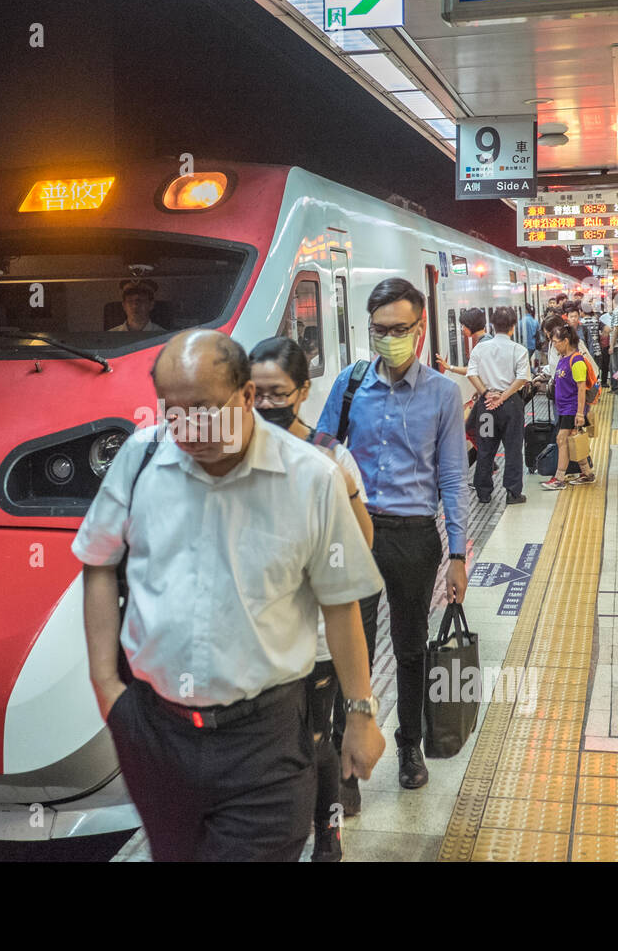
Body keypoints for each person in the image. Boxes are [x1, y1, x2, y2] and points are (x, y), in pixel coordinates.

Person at [72, 329, 385, 861]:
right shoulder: (140, 460)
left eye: (205, 409)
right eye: (174, 410)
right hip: (155, 732)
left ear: (246, 396)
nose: (189, 427)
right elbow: (98, 562)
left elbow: (340, 603)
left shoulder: (311, 477)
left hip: (264, 743)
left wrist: (361, 713)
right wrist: (107, 687)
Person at [315, 278, 469, 792]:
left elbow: (451, 476)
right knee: (349, 647)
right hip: (356, 532)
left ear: (420, 331)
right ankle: (348, 758)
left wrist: (459, 555)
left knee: (410, 646)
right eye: (379, 330)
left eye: (399, 329)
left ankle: (409, 745)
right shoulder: (350, 384)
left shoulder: (444, 394)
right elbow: (321, 453)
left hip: (414, 536)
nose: (389, 339)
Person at [249, 336, 374, 861]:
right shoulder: (235, 452)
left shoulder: (330, 454)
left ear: (302, 391)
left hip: (318, 636)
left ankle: (328, 831)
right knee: (269, 748)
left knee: (317, 739)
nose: (266, 405)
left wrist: (343, 488)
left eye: (278, 393)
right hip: (261, 636)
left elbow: (363, 541)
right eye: (256, 394)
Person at [467, 307, 532, 505]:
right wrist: (503, 396)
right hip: (510, 406)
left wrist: (487, 394)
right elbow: (522, 379)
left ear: (492, 326)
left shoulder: (480, 348)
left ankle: (483, 492)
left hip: (486, 406)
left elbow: (471, 374)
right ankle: (513, 493)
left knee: (485, 448)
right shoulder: (518, 350)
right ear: (513, 327)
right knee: (513, 449)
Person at [541, 324, 596, 490]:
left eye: (556, 342)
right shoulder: (563, 359)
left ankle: (559, 478)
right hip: (565, 408)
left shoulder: (576, 361)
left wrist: (580, 413)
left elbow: (581, 388)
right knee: (573, 440)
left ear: (566, 341)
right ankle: (587, 474)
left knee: (562, 439)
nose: (554, 345)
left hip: (572, 409)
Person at [433, 307, 488, 376]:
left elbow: (473, 371)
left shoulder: (484, 345)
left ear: (471, 325)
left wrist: (449, 367)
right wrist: (449, 367)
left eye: (463, 326)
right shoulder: (486, 340)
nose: (462, 329)